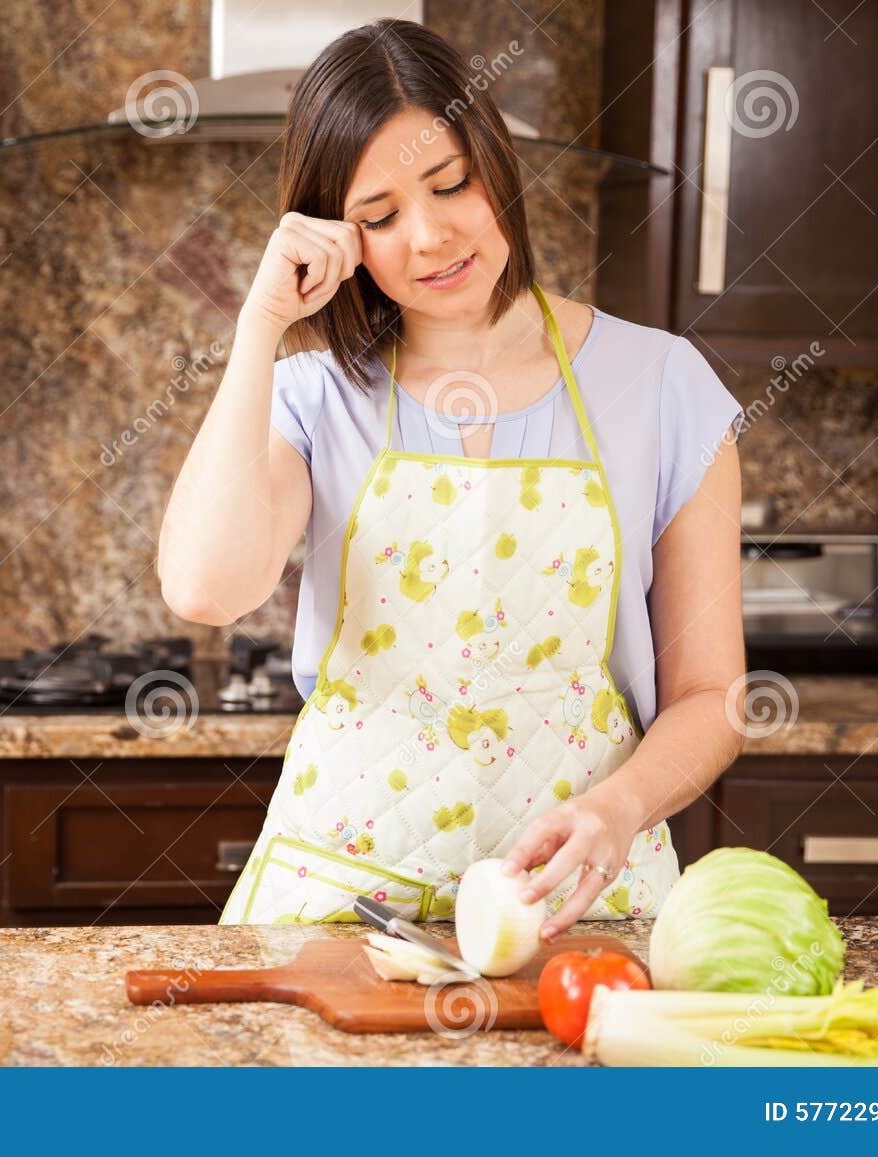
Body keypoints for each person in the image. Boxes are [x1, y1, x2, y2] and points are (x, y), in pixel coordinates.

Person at [158, 18, 746, 939]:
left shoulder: (664, 386)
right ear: (335, 237)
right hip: (336, 907)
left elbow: (713, 696)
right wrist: (259, 328)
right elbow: (205, 587)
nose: (429, 237)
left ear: (496, 164)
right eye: (380, 217)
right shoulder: (316, 396)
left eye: (450, 184)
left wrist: (620, 807)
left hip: (577, 903)